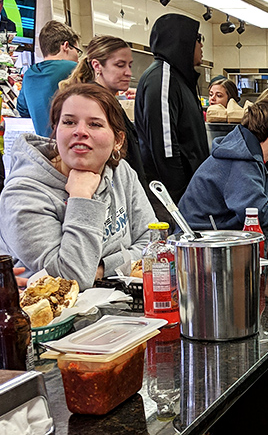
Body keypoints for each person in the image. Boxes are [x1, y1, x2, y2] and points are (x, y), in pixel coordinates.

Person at [0, 83, 156, 289]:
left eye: (95, 124)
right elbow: (70, 279)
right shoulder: (23, 193)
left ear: (118, 140)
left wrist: (101, 268)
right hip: (50, 316)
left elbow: (153, 244)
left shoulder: (120, 171)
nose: (80, 131)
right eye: (69, 122)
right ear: (56, 131)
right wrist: (81, 198)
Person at [179, 98, 268, 237]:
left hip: (221, 237)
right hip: (201, 242)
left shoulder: (255, 157)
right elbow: (256, 217)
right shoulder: (242, 163)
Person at [134, 13, 209, 211]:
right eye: (198, 39)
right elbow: (165, 147)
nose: (201, 46)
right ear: (181, 41)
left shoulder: (179, 78)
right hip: (170, 198)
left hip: (186, 193)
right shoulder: (162, 78)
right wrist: (181, 197)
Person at [59, 35, 146, 185]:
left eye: (129, 66)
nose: (128, 73)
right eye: (120, 65)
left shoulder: (109, 101)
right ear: (97, 66)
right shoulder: (93, 103)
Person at [16, 20, 80, 137]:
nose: (78, 57)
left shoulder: (29, 74)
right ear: (66, 46)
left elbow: (22, 110)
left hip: (44, 149)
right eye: (77, 51)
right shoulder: (75, 69)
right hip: (74, 145)